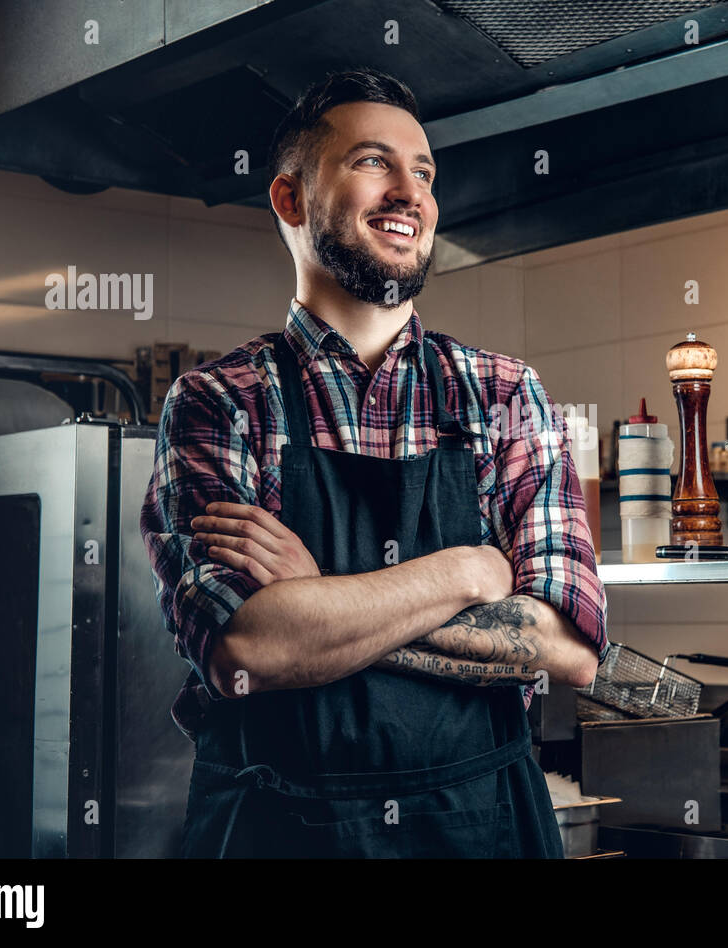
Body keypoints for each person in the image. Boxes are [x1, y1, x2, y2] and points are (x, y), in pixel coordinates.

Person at [139, 68, 608, 858]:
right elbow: (247, 651)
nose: (410, 192)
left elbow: (568, 646)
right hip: (279, 831)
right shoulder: (218, 402)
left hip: (482, 827)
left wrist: (315, 601)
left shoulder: (502, 392)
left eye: (422, 172)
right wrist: (468, 569)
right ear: (290, 200)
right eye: (372, 162)